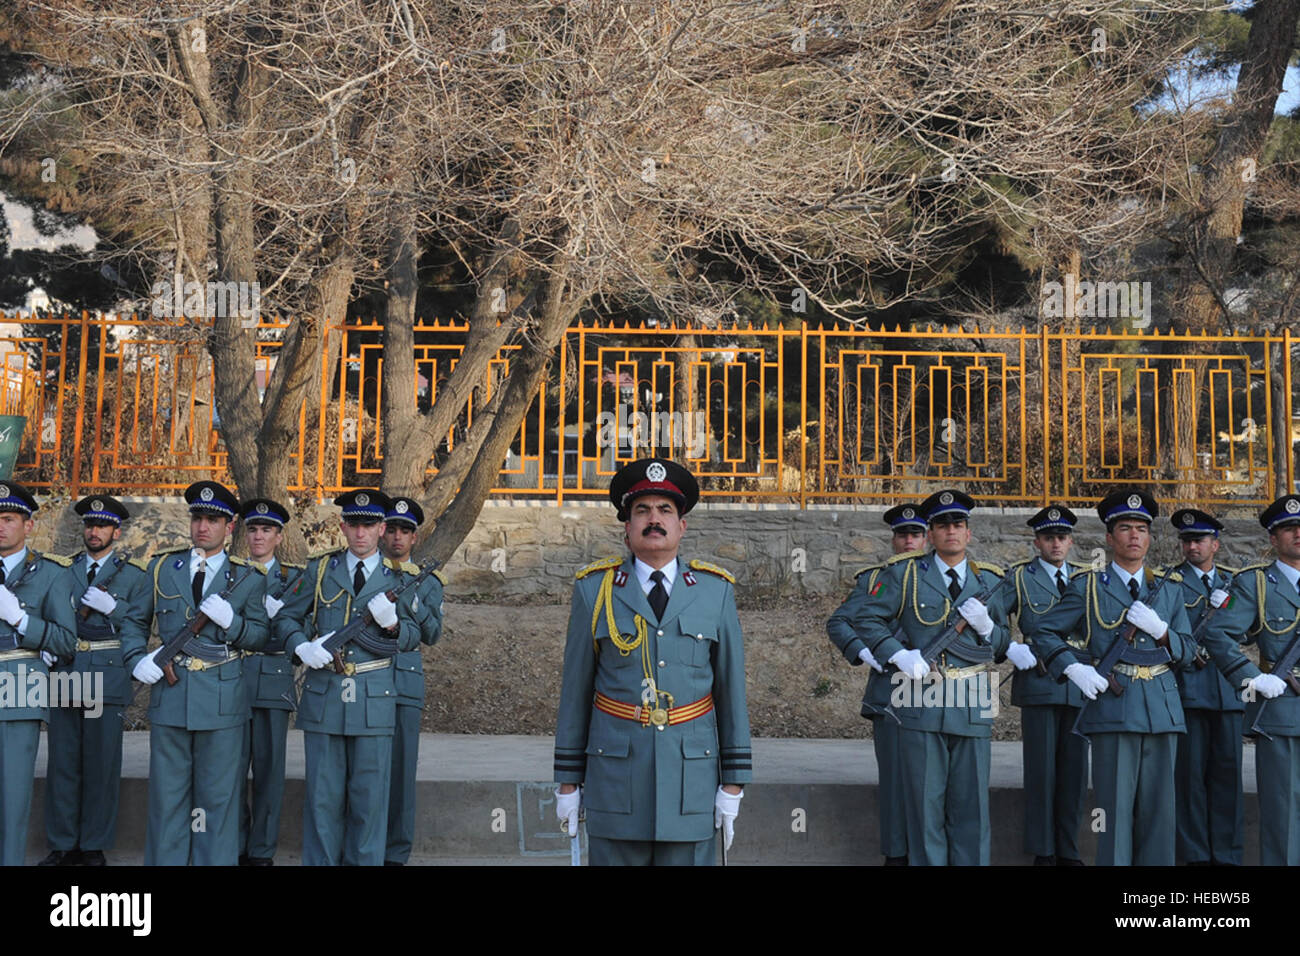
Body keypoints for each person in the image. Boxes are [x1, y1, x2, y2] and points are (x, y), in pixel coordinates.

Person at [553, 458, 751, 865]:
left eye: (665, 510)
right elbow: (576, 691)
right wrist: (568, 782)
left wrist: (734, 782)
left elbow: (731, 692)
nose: (654, 519)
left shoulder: (715, 592)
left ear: (682, 526)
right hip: (616, 782)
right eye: (642, 511)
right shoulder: (595, 590)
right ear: (626, 528)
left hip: (690, 781)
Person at [1032, 489, 1193, 865]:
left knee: (1160, 816)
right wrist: (1073, 668)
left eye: (1141, 528)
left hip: (1163, 709)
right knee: (1111, 815)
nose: (1134, 536)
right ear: (1109, 538)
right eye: (1124, 528)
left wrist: (1163, 631)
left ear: (1150, 537)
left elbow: (1187, 650)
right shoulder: (1088, 586)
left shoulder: (1168, 589)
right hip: (1114, 708)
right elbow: (1043, 632)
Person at [849, 489, 1009, 865]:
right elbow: (865, 619)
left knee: (972, 807)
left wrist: (987, 628)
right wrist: (898, 654)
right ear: (930, 533)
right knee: (925, 808)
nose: (951, 531)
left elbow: (1004, 643)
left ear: (968, 533)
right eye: (942, 525)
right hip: (920, 698)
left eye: (958, 524)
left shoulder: (989, 580)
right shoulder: (904, 575)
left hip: (973, 696)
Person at [128, 480, 270, 865]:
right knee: (167, 799)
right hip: (172, 699)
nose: (202, 526)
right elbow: (133, 623)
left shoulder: (250, 577)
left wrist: (233, 624)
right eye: (197, 518)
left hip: (222, 702)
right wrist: (135, 659)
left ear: (230, 525)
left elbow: (260, 636)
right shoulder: (162, 568)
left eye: (212, 519)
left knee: (217, 802)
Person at [276, 489, 420, 865]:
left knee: (369, 802)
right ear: (342, 526)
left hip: (374, 698)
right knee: (322, 799)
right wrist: (300, 647)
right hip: (325, 695)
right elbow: (287, 618)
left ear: (381, 528)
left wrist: (393, 626)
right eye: (353, 525)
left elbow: (418, 635)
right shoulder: (320, 570)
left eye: (369, 525)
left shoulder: (399, 577)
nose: (360, 533)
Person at [41, 495, 149, 867]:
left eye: (102, 526)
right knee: (63, 762)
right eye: (89, 525)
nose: (94, 531)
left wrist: (114, 609)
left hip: (106, 672)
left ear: (115, 532)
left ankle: (93, 845)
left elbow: (142, 626)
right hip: (67, 670)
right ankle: (61, 843)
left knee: (101, 764)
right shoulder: (61, 570)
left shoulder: (134, 575)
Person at [1197, 493, 1300, 865]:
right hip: (1283, 709)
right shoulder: (1256, 583)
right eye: (1289, 529)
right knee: (1282, 814)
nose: (1298, 534)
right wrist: (1253, 678)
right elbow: (1218, 635)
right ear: (1273, 539)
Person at [826, 502, 926, 865]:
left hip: (939, 694)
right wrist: (864, 652)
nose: (910, 541)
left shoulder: (944, 578)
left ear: (927, 537)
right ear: (894, 539)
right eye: (903, 534)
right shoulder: (874, 579)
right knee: (897, 782)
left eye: (916, 534)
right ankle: (896, 855)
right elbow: (839, 622)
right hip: (890, 695)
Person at [1002, 505, 1090, 866]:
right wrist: (1009, 645)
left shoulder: (1087, 579)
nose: (1056, 544)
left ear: (1070, 542)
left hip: (1080, 682)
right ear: (1037, 541)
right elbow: (988, 617)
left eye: (1062, 537)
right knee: (1041, 772)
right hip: (1040, 680)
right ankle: (1044, 850)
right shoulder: (1019, 578)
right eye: (1049, 537)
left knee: (1074, 773)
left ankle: (1068, 849)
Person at [0, 481, 76, 866]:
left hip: (17, 692)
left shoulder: (51, 574)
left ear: (28, 525)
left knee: (12, 802)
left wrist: (20, 619)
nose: (1, 526)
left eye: (9, 518)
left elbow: (66, 641)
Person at [1168, 507, 1243, 866]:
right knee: (1190, 782)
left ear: (1215, 544)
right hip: (1189, 691)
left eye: (1198, 540)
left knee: (1228, 780)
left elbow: (1247, 630)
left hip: (1228, 691)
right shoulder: (1170, 583)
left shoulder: (1235, 581)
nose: (1192, 547)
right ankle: (1195, 856)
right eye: (1186, 541)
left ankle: (1227, 856)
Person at [379, 495, 445, 866]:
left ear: (415, 538)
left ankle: (395, 853)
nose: (398, 538)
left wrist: (415, 602)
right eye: (392, 529)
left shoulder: (429, 582)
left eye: (406, 531)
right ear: (381, 531)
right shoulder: (368, 573)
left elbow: (433, 634)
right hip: (367, 678)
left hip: (404, 684)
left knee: (401, 773)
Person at [236, 497, 302, 866]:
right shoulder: (231, 573)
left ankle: (260, 851)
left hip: (274, 681)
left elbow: (303, 630)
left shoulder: (294, 579)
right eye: (253, 529)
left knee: (269, 772)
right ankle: (233, 843)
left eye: (266, 530)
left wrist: (282, 620)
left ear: (279, 536)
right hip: (232, 680)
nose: (258, 536)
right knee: (229, 772)